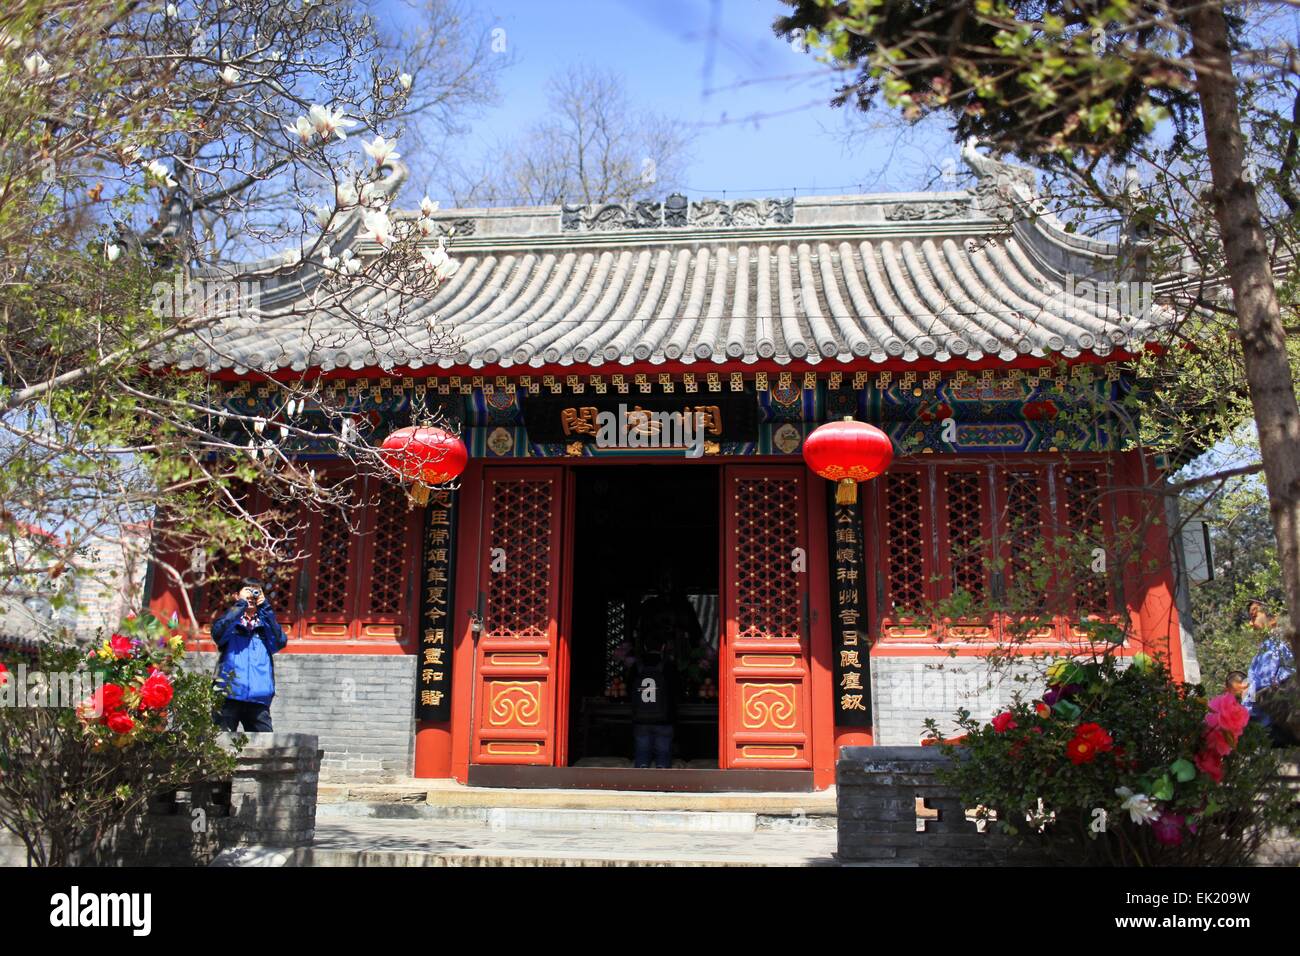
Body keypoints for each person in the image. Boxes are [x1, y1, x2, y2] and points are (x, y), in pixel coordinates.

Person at [211, 579, 288, 732]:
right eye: (248, 590)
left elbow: (279, 642)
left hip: (258, 698)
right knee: (220, 747)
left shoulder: (264, 625)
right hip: (228, 695)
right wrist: (240, 605)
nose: (252, 595)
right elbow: (218, 633)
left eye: (256, 591)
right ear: (235, 595)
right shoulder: (231, 621)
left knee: (265, 749)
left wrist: (265, 607)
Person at [627, 636, 678, 769]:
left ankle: (641, 783)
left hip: (640, 719)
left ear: (644, 647)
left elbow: (629, 691)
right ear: (663, 647)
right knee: (663, 754)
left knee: (642, 754)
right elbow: (677, 692)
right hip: (664, 720)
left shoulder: (636, 667)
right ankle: (663, 783)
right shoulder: (669, 666)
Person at [1244, 632, 1296, 747]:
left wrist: (1246, 704)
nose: (1251, 623)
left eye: (1254, 616)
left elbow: (1260, 685)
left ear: (1272, 618)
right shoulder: (1285, 649)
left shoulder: (1272, 645)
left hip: (1270, 726)